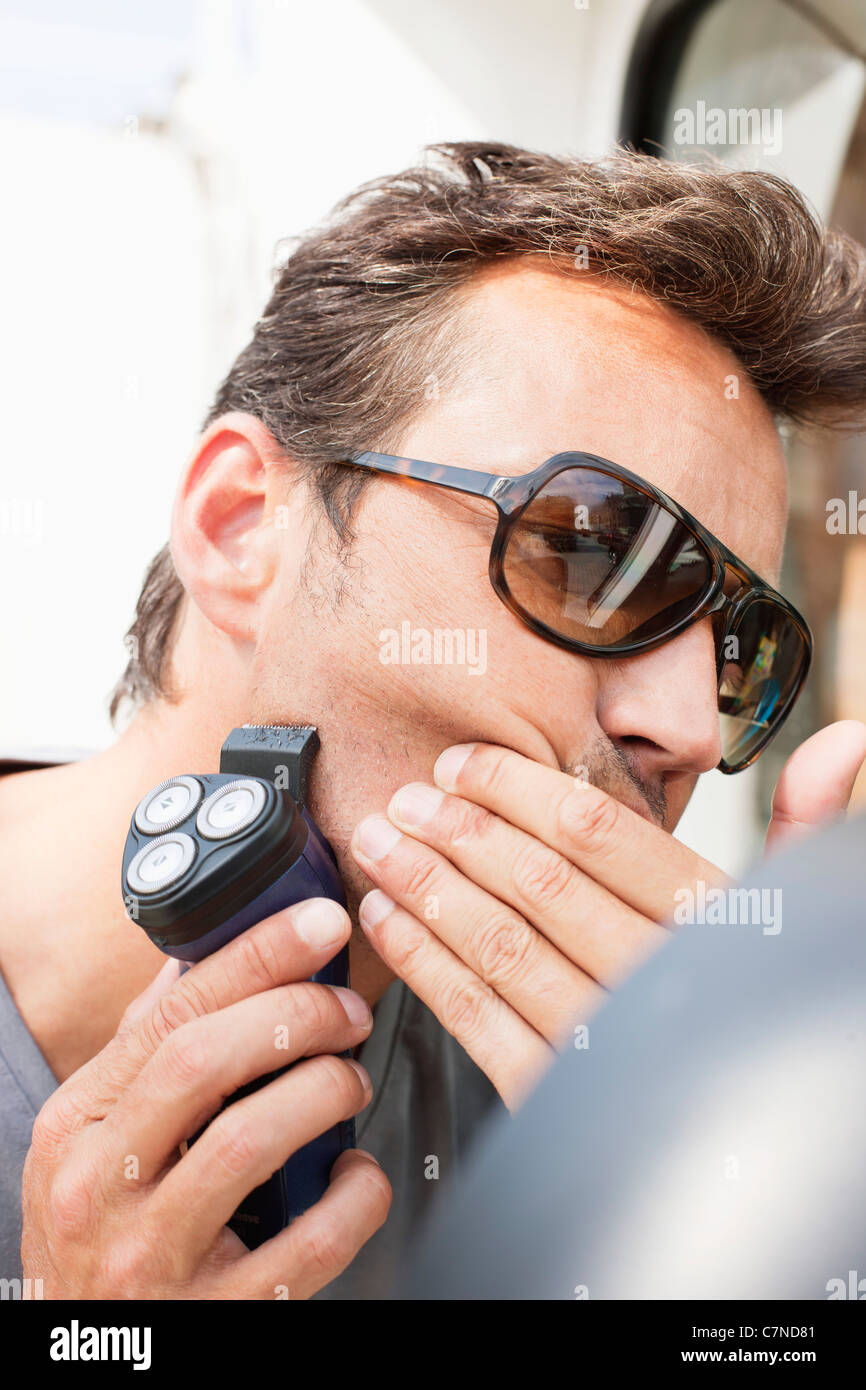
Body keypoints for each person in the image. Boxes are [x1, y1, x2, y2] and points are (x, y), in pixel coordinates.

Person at [2, 142, 866, 1300]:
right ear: (240, 528)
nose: (691, 730)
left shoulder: (565, 1072)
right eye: (592, 552)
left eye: (740, 651)